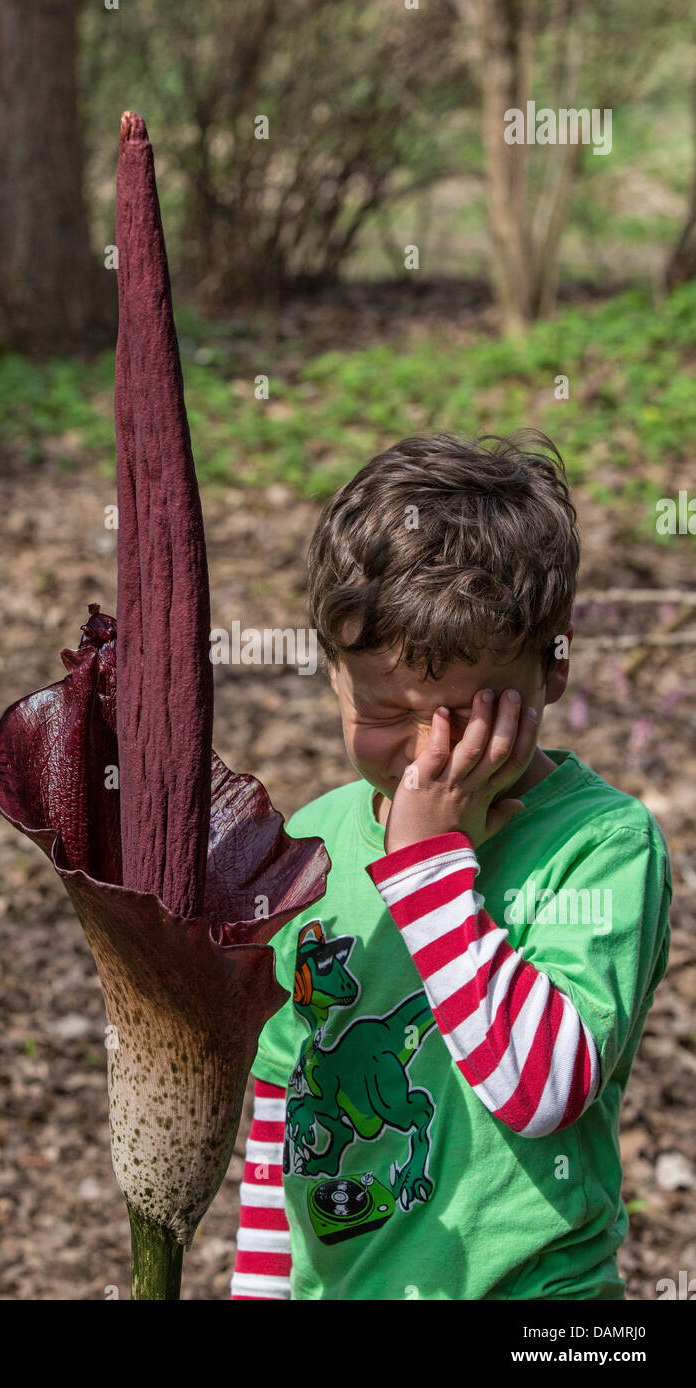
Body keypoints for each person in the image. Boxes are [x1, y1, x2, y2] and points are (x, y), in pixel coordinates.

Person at [230, 431, 672, 1301]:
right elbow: (282, 1104)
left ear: (554, 665)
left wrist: (429, 863)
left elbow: (543, 1091)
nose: (428, 754)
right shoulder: (308, 850)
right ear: (333, 674)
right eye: (387, 712)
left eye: (466, 714)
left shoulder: (602, 846)